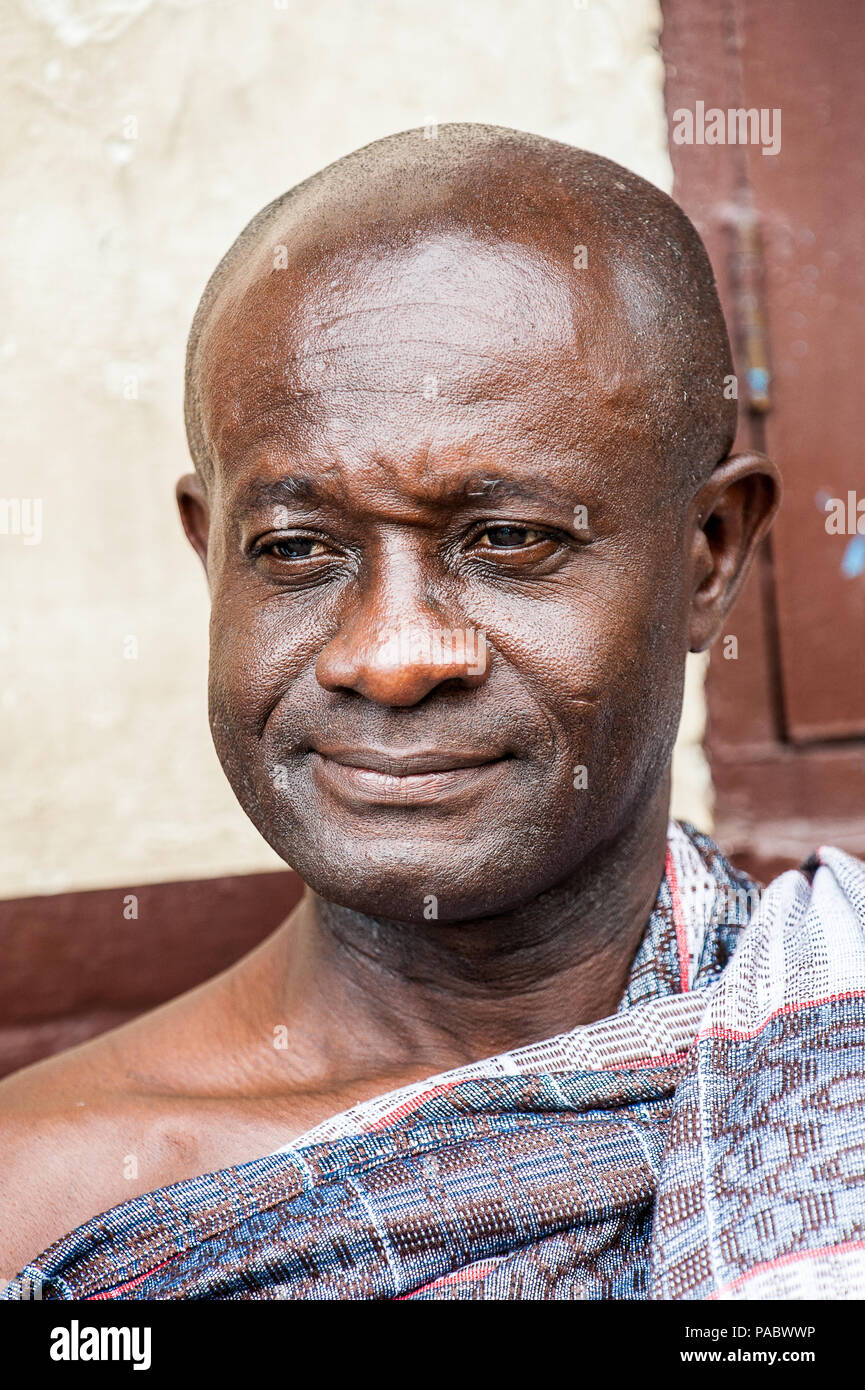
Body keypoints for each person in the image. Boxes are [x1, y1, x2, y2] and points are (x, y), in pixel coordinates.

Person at [2, 124, 863, 1301]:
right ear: (212, 557)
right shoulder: (45, 1213)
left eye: (508, 538)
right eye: (297, 550)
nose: (392, 656)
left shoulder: (830, 1034)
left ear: (707, 557)